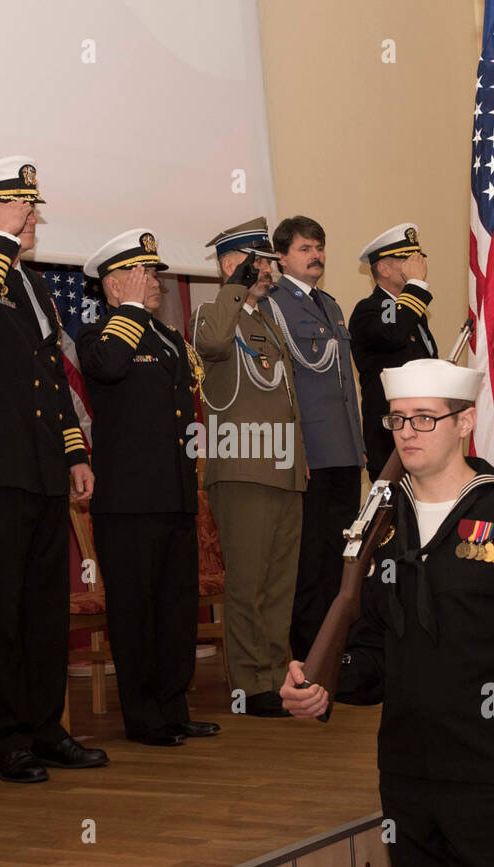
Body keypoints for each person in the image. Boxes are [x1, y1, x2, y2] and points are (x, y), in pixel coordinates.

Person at [281, 359, 494, 867]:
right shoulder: (377, 522)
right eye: (398, 419)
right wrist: (326, 683)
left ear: (465, 423)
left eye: (424, 418)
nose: (407, 432)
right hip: (407, 778)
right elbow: (376, 651)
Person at [0, 156, 107, 783]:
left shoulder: (30, 287)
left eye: (31, 206)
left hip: (41, 470)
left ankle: (45, 728)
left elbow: (51, 378)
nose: (32, 215)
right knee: (2, 611)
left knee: (45, 609)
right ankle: (5, 742)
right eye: (18, 205)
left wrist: (75, 451)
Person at [76, 229, 215, 746]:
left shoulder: (164, 338)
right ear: (114, 285)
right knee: (136, 610)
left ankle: (173, 706)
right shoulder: (99, 336)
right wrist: (131, 309)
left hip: (174, 492)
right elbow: (109, 367)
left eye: (154, 273)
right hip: (129, 500)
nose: (153, 282)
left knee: (175, 607)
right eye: (142, 274)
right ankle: (143, 716)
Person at [192, 218, 307, 718]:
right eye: (256, 260)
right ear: (229, 264)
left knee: (279, 584)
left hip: (281, 468)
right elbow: (214, 345)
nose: (266, 268)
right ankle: (247, 685)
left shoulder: (264, 318)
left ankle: (277, 676)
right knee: (248, 583)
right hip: (242, 467)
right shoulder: (213, 313)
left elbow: (284, 398)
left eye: (266, 260)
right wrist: (235, 287)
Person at [266, 215, 366, 664]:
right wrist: (294, 448)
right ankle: (308, 654)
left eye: (320, 247)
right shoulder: (274, 305)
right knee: (309, 561)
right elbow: (279, 387)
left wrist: (358, 442)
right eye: (305, 248)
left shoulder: (330, 304)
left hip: (343, 450)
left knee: (338, 555)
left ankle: (335, 650)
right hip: (310, 454)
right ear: (281, 256)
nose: (316, 256)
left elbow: (345, 384)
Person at [350, 223, 439, 480]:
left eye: (418, 257)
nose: (417, 263)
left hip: (422, 431)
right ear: (384, 268)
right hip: (390, 438)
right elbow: (395, 332)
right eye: (407, 259)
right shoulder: (370, 310)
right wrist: (416, 286)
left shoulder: (412, 313)